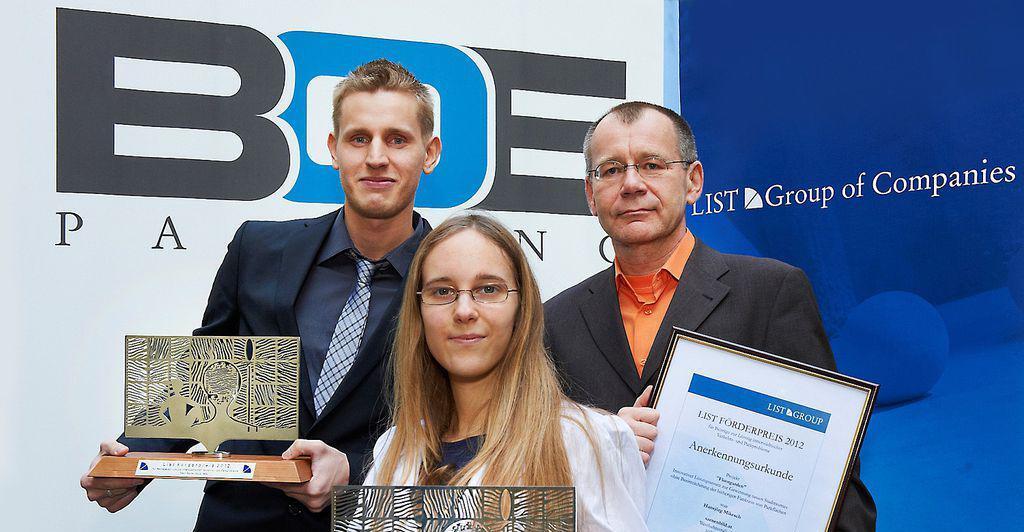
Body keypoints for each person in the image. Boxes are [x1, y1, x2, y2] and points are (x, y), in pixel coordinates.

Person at [80, 58, 441, 532]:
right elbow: (204, 381)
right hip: (239, 521)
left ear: (429, 153)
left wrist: (353, 470)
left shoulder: (452, 283)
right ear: (333, 149)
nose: (376, 157)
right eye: (359, 138)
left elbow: (460, 428)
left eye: (397, 139)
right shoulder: (260, 248)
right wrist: (134, 459)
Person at [544, 101, 877, 531]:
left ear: (693, 181)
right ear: (591, 196)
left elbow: (829, 477)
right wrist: (602, 448)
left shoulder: (771, 293)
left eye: (652, 164)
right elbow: (539, 479)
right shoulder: (556, 321)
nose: (631, 184)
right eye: (610, 170)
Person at [363, 214, 647, 531]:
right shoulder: (394, 449)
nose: (464, 311)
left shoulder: (584, 441)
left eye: (488, 289)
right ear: (419, 312)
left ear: (521, 309)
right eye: (442, 291)